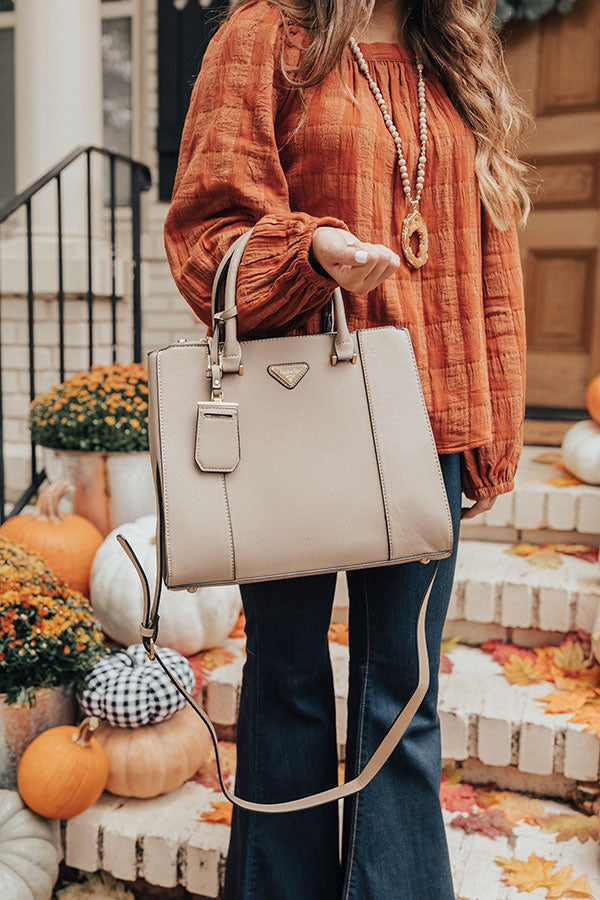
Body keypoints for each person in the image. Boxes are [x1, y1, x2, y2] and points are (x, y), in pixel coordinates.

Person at [163, 0, 533, 896]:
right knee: (287, 678)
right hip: (298, 420)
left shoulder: (452, 46)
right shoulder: (265, 36)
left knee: (403, 693)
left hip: (429, 420)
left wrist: (492, 417)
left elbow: (489, 252)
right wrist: (308, 252)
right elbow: (203, 231)